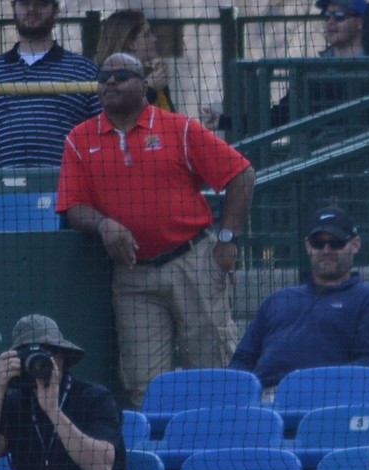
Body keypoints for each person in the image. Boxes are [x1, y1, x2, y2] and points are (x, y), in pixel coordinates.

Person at [56, 53, 254, 407]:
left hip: (192, 262)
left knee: (212, 374)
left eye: (122, 75)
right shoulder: (80, 138)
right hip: (133, 274)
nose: (110, 82)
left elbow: (242, 174)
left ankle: (216, 442)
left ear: (144, 84)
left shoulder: (179, 128)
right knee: (144, 386)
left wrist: (228, 238)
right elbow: (73, 206)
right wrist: (103, 223)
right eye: (104, 77)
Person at [230, 208, 369, 398]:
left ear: (355, 244)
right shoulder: (277, 299)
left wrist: (315, 387)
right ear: (308, 246)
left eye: (336, 242)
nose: (326, 250)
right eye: (318, 243)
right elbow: (243, 359)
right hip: (264, 400)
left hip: (328, 400)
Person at [0, 0, 101, 169]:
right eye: (25, 4)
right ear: (13, 8)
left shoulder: (84, 70)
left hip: (65, 182)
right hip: (1, 184)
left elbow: (102, 133)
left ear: (56, 11)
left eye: (40, 4)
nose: (32, 9)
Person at [0, 315, 125, 470]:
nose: (39, 363)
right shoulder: (16, 403)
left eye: (47, 353)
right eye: (29, 355)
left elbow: (100, 468)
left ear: (62, 357)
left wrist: (53, 411)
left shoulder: (95, 397)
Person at [269, 0, 369, 132]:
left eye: (339, 16)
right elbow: (283, 112)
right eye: (326, 16)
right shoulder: (314, 70)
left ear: (360, 22)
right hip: (322, 145)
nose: (330, 22)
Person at [95, 9, 177, 114]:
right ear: (131, 43)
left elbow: (171, 118)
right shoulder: (102, 77)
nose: (154, 39)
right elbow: (116, 117)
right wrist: (149, 90)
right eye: (147, 35)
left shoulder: (152, 75)